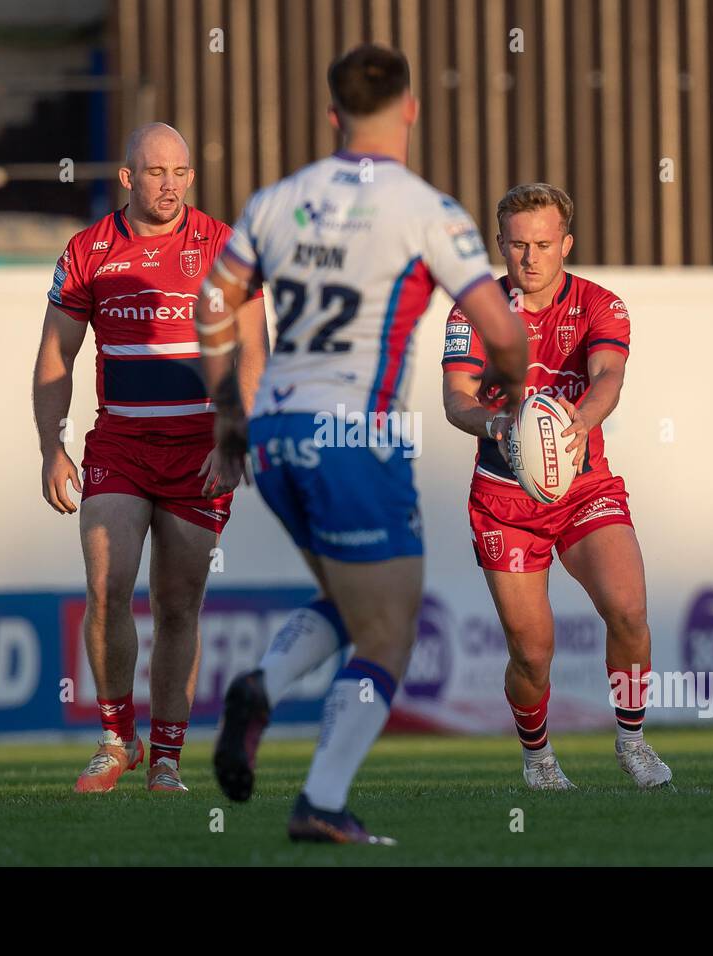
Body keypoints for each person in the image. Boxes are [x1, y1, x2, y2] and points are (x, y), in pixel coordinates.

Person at [193, 44, 527, 844]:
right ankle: (319, 797)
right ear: (411, 108)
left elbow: (212, 309)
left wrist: (229, 420)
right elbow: (504, 334)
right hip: (351, 435)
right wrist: (510, 387)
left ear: (332, 116)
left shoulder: (278, 200)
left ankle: (264, 689)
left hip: (272, 434)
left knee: (357, 606)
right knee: (389, 630)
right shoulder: (426, 209)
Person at [32, 123, 267, 794]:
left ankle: (166, 758)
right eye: (155, 172)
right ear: (128, 178)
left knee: (178, 603)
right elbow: (57, 355)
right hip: (121, 447)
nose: (169, 184)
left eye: (180, 172)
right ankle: (116, 739)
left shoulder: (224, 248)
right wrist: (52, 445)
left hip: (200, 451)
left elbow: (253, 347)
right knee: (107, 587)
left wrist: (233, 432)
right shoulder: (89, 250)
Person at [441, 182, 672, 791]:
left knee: (628, 610)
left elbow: (608, 376)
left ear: (566, 243)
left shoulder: (601, 304)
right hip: (503, 500)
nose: (531, 257)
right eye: (517, 245)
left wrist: (580, 421)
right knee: (532, 651)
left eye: (544, 244)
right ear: (500, 245)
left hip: (583, 484)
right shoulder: (472, 310)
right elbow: (455, 401)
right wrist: (497, 424)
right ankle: (539, 759)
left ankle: (632, 740)